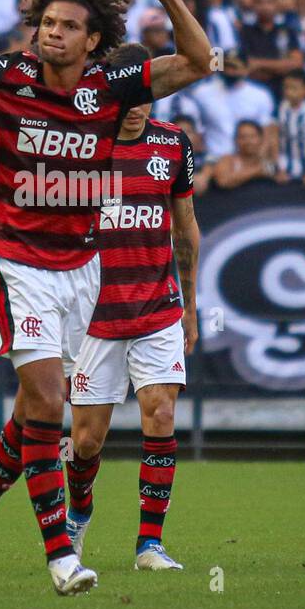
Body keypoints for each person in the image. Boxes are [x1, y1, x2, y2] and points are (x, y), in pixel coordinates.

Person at [0, 0, 213, 595]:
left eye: (69, 26)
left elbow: (200, 61)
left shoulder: (114, 86)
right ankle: (61, 557)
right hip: (15, 254)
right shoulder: (5, 75)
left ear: (92, 39)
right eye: (46, 22)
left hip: (84, 263)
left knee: (32, 412)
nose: (53, 33)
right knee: (48, 402)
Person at [65, 43, 199, 571]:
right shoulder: (80, 146)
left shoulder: (172, 144)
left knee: (161, 414)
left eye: (147, 92)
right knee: (86, 440)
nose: (138, 103)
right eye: (130, 90)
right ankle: (77, 517)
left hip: (158, 307)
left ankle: (149, 544)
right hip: (94, 315)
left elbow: (185, 224)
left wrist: (190, 305)